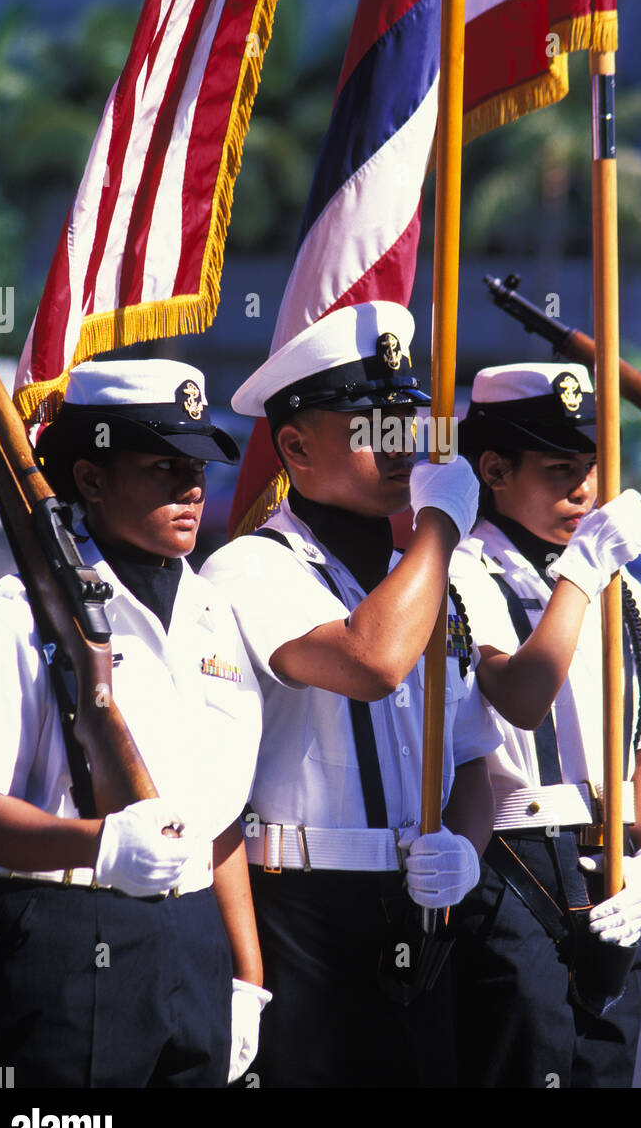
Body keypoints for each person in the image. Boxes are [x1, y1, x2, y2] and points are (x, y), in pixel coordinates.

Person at [202, 301, 501, 1088]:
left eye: (409, 420)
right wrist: (439, 525)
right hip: (303, 909)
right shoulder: (251, 569)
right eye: (373, 424)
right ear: (296, 443)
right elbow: (372, 661)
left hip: (420, 906)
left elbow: (471, 763)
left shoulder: (428, 579)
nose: (402, 443)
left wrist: (465, 852)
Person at [0, 360, 267, 1088]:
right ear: (92, 480)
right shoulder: (22, 609)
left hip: (194, 942)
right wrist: (99, 845)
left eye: (197, 466)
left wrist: (245, 977)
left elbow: (223, 823)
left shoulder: (215, 613)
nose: (192, 487)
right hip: (67, 931)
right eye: (164, 467)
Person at [449, 363, 641, 1088]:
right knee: (528, 1059)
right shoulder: (463, 572)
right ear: (494, 468)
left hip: (618, 860)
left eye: (589, 466)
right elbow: (520, 697)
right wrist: (581, 571)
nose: (583, 489)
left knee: (605, 1067)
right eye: (557, 470)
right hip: (517, 858)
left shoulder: (623, 590)